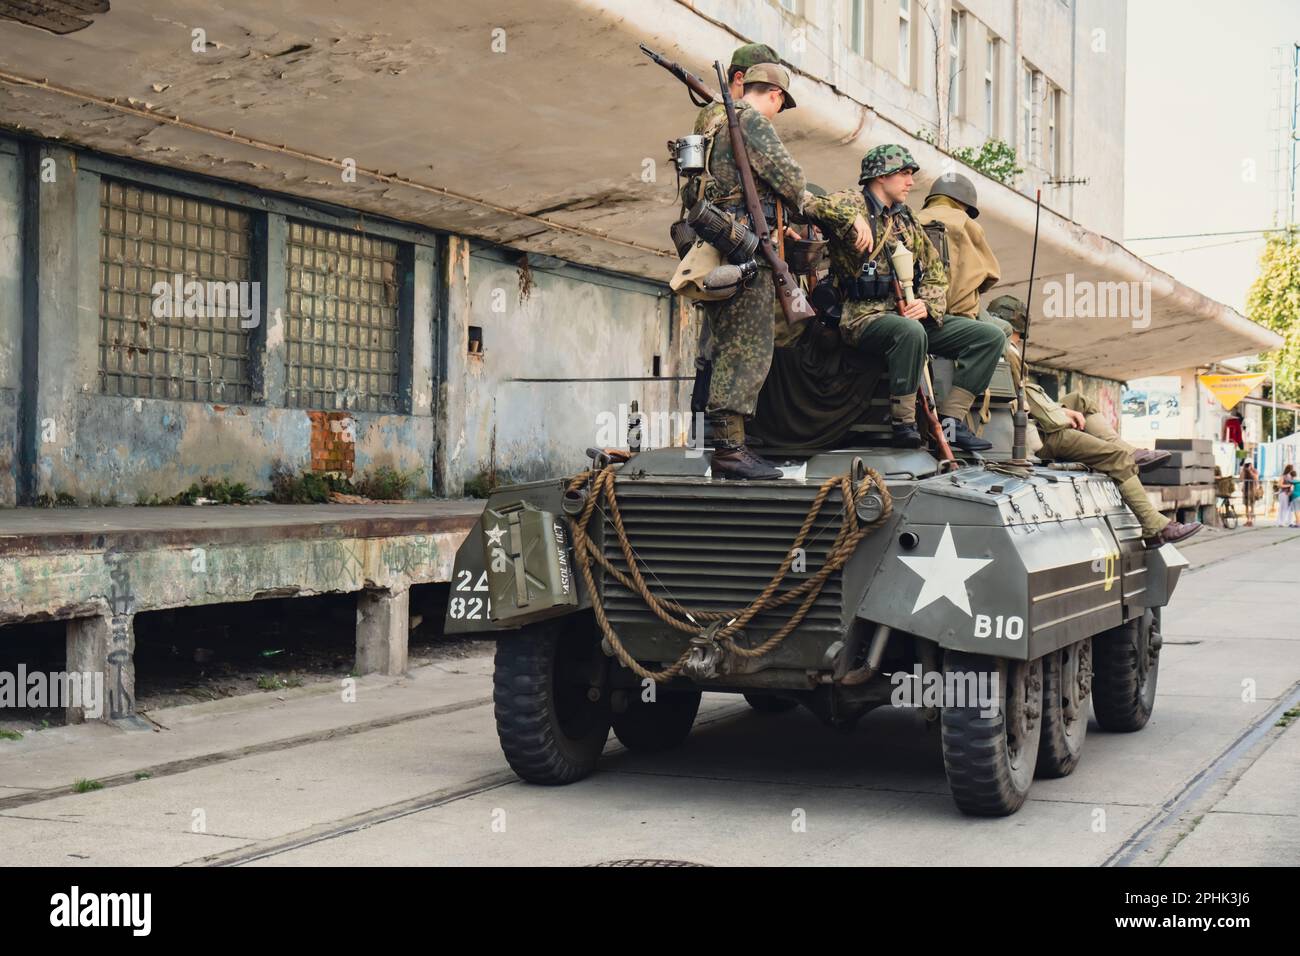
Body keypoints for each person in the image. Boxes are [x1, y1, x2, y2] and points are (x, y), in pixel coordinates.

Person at [806, 145, 1007, 451]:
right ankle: (904, 422)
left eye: (911, 174)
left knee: (988, 336)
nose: (911, 182)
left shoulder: (906, 220)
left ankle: (952, 420)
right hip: (863, 317)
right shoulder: (851, 201)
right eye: (904, 174)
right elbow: (809, 204)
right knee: (909, 332)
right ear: (880, 176)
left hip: (907, 312)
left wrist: (926, 304)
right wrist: (850, 220)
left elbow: (936, 273)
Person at [988, 296, 1202, 547]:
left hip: (1034, 420)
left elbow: (1022, 396)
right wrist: (1060, 416)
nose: (1018, 340)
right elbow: (1018, 398)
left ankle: (1132, 452)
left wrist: (1061, 410)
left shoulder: (993, 345)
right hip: (1040, 435)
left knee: (1079, 400)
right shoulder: (1005, 350)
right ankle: (1154, 527)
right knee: (1117, 459)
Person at [682, 62, 810, 479]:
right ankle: (730, 450)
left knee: (729, 345)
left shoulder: (711, 122)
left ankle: (730, 444)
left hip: (717, 244)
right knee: (749, 348)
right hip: (747, 248)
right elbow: (791, 180)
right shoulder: (749, 120)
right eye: (780, 104)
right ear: (774, 95)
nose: (778, 111)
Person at [1240, 457, 1259, 526]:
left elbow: (1255, 478)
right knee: (1246, 506)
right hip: (1245, 490)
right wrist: (1243, 470)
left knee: (1252, 505)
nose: (1248, 465)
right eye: (1247, 464)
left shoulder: (1254, 471)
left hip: (1252, 490)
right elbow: (1241, 478)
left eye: (1249, 464)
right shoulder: (1244, 471)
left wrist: (1250, 471)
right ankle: (1248, 520)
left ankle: (1251, 519)